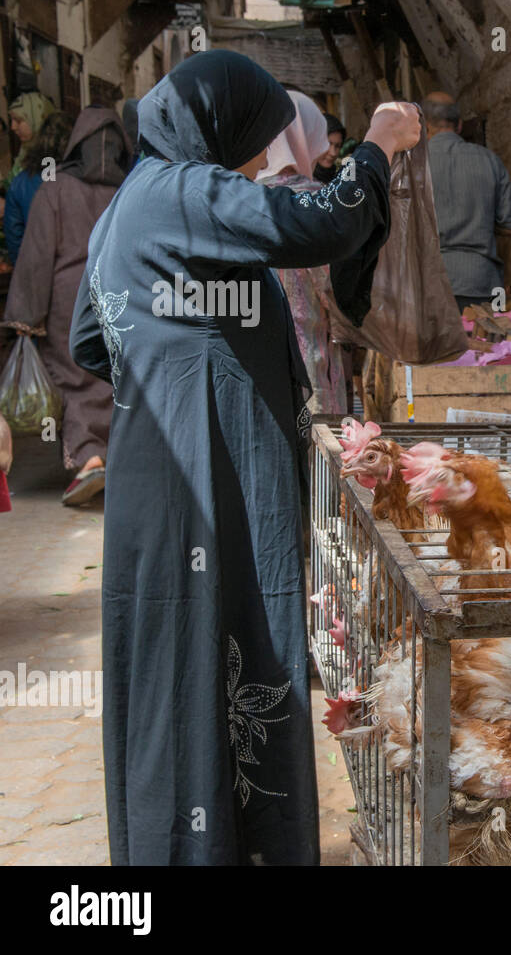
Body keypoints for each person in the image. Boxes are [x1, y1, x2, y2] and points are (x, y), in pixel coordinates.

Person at [69, 50, 421, 865]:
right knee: (219, 646)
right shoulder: (184, 190)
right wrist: (376, 143)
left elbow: (93, 338)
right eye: (256, 141)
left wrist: (174, 354)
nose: (263, 160)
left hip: (158, 478)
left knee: (177, 661)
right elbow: (322, 224)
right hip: (207, 479)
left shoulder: (131, 205)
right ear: (213, 128)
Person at [1, 107, 131, 506]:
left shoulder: (54, 188)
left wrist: (24, 315)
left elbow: (37, 256)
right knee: (112, 379)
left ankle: (90, 457)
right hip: (120, 296)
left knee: (73, 379)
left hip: (67, 301)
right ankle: (117, 460)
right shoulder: (129, 189)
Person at [257, 90, 350, 415]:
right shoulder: (316, 202)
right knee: (316, 456)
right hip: (310, 363)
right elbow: (339, 293)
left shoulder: (237, 196)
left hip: (253, 366)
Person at [421, 92, 511, 311]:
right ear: (459, 125)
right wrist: (481, 222)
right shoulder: (489, 160)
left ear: (424, 125)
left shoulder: (412, 166)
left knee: (437, 346)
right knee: (493, 344)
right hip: (485, 283)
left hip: (429, 282)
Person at [4, 107, 70, 264]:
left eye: (19, 120)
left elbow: (15, 237)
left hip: (36, 269)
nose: (13, 127)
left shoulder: (23, 181)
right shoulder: (86, 178)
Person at [3, 91, 55, 190]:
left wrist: (5, 205)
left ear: (36, 119)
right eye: (12, 120)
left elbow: (47, 198)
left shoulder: (49, 156)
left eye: (18, 121)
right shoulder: (26, 148)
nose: (13, 127)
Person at [312, 112, 345, 184]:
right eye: (327, 145)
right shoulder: (298, 181)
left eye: (337, 146)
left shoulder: (341, 179)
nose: (333, 153)